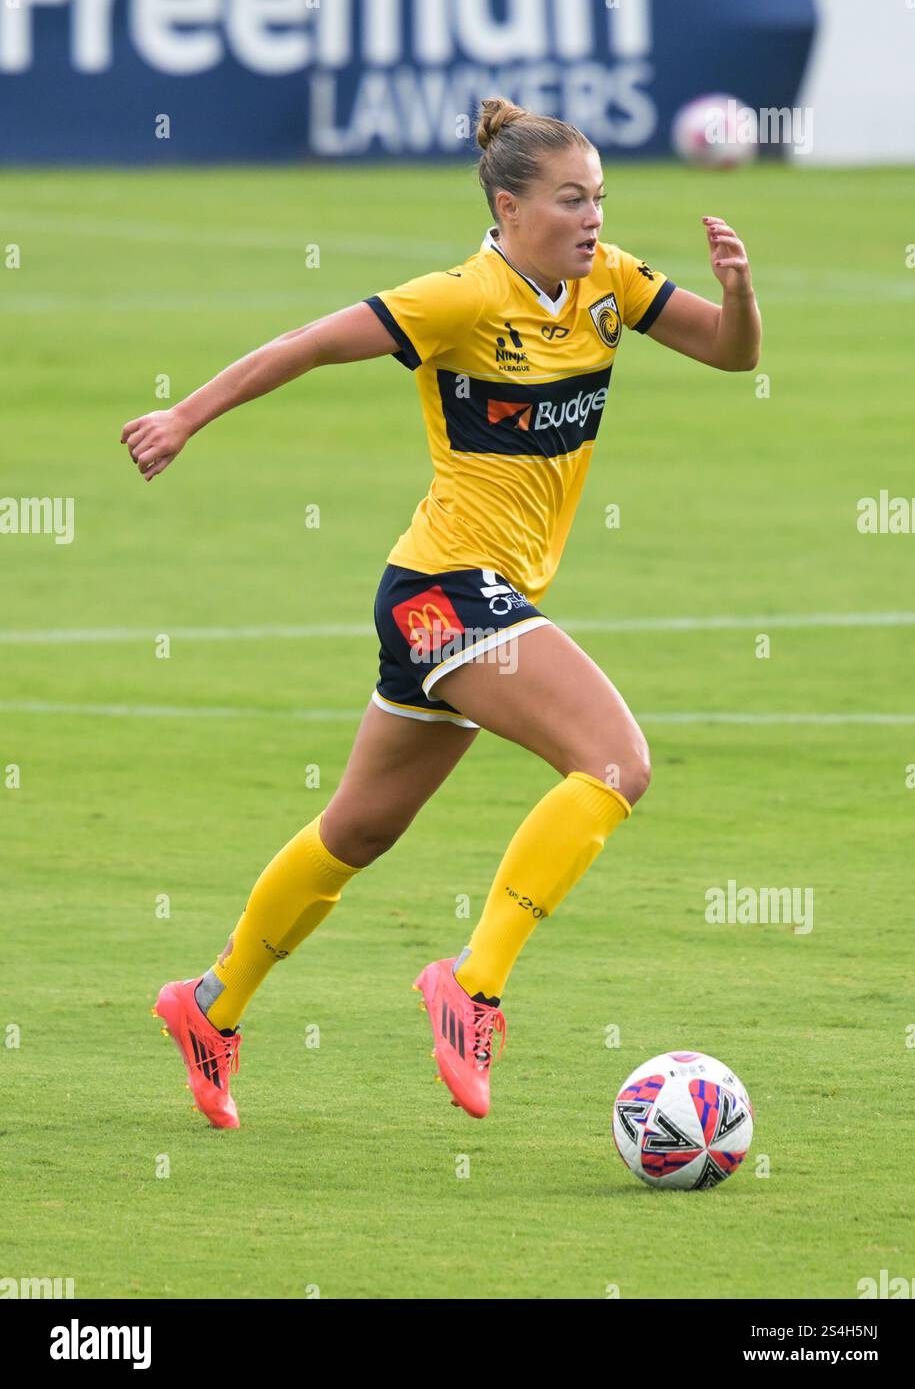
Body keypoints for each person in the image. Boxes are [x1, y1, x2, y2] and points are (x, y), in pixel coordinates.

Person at [124, 96, 761, 1128]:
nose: (592, 216)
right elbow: (309, 342)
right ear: (508, 208)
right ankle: (473, 984)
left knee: (359, 829)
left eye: (599, 195)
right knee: (613, 763)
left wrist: (738, 295)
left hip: (468, 597)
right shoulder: (459, 299)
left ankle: (207, 1004)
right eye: (569, 199)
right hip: (446, 590)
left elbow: (734, 356)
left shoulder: (611, 285)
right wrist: (184, 416)